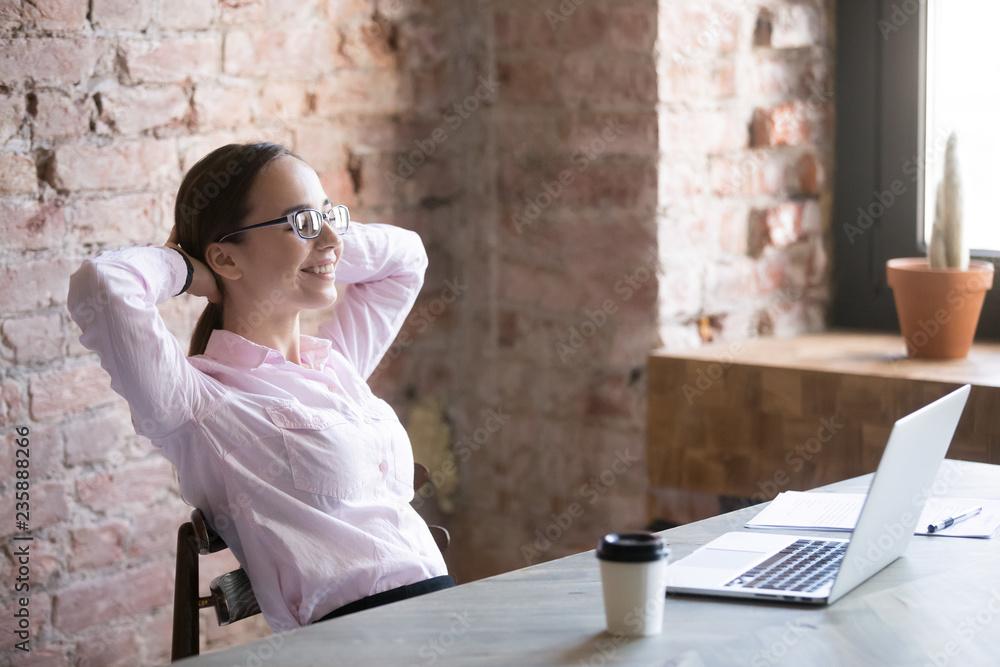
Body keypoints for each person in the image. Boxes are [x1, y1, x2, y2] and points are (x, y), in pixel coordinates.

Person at [67, 142, 453, 632]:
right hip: (353, 643)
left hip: (441, 620)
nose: (334, 238)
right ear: (225, 257)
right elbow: (103, 284)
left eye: (328, 215)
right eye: (300, 222)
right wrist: (189, 271)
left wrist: (315, 247)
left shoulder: (337, 365)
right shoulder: (199, 401)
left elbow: (406, 257)